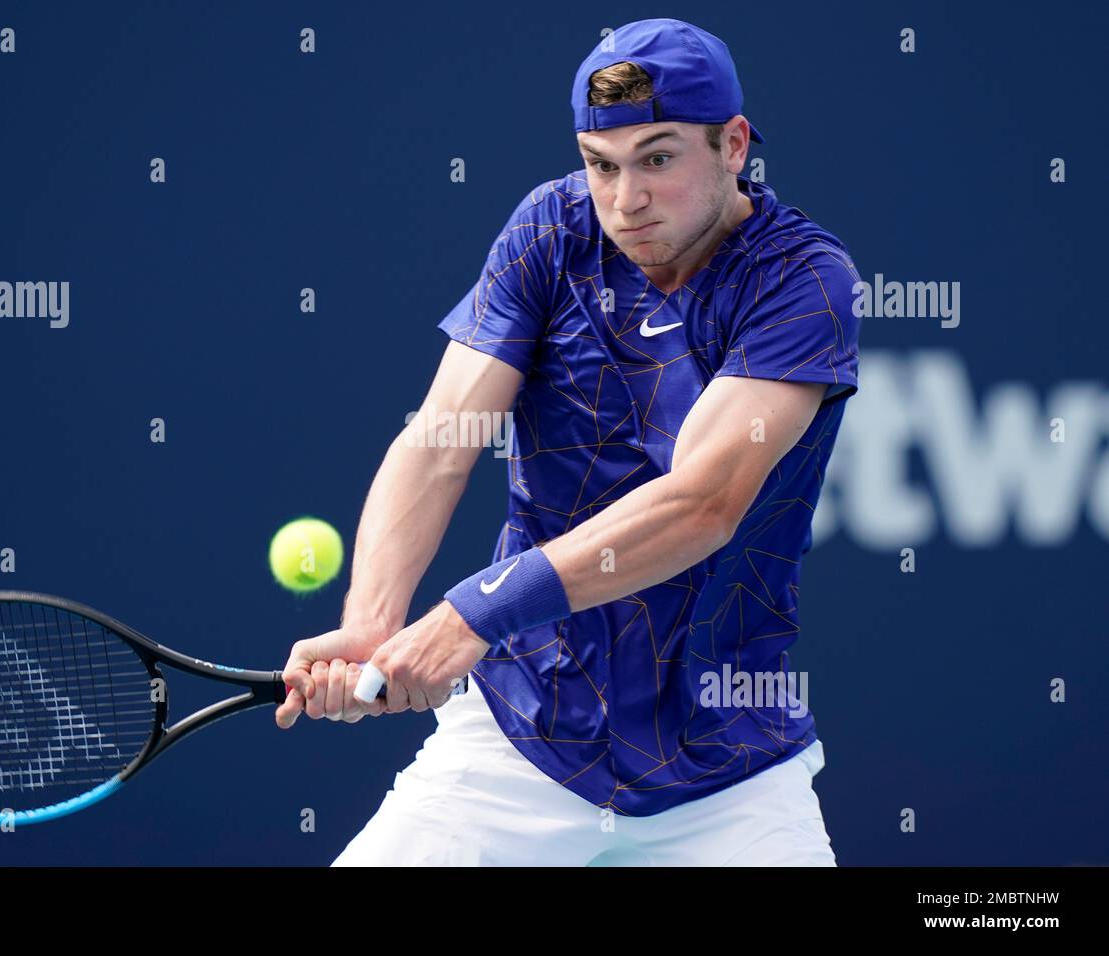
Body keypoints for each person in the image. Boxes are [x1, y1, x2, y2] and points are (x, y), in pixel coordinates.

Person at [276, 18, 861, 866]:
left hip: (732, 778)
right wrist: (372, 625)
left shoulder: (804, 280)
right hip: (518, 741)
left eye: (659, 159)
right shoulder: (550, 231)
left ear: (734, 145)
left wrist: (475, 612)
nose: (626, 199)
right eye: (601, 164)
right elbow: (443, 439)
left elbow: (702, 503)